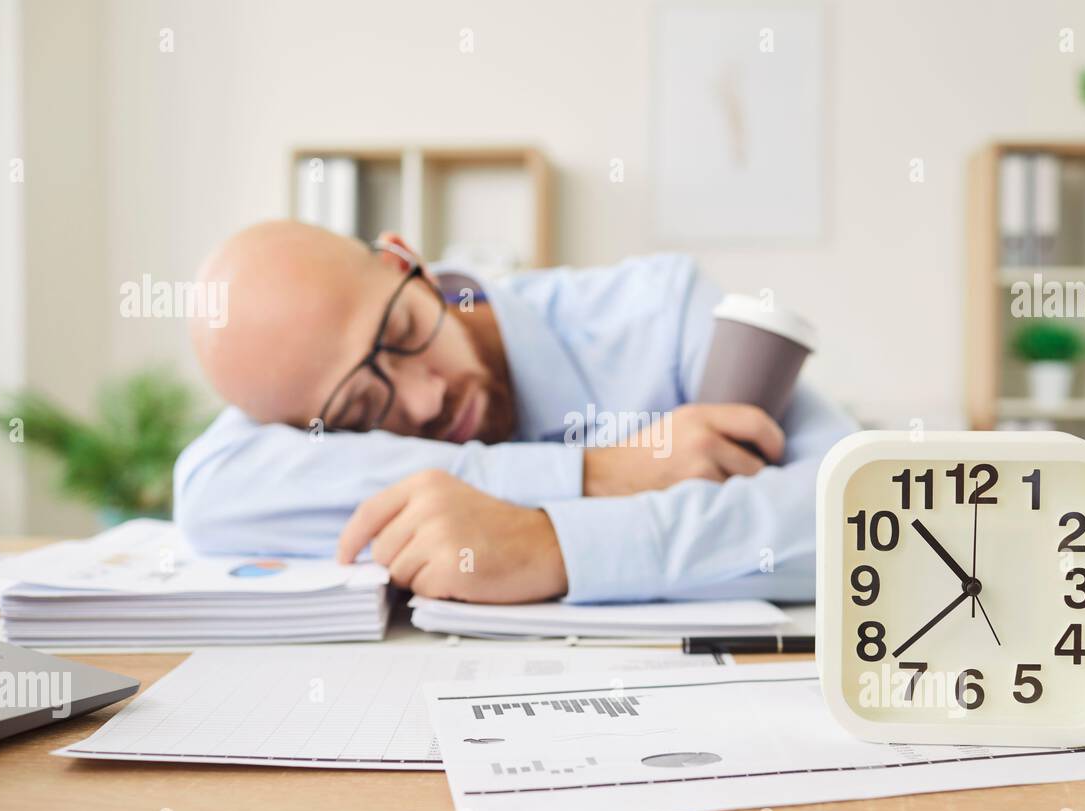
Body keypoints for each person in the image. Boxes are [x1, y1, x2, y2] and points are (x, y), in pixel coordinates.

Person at [175, 220, 856, 604]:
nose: (423, 398)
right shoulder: (295, 387)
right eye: (361, 407)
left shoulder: (660, 314)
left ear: (406, 263)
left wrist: (553, 546)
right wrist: (597, 473)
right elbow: (211, 492)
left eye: (404, 333)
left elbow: (859, 511)